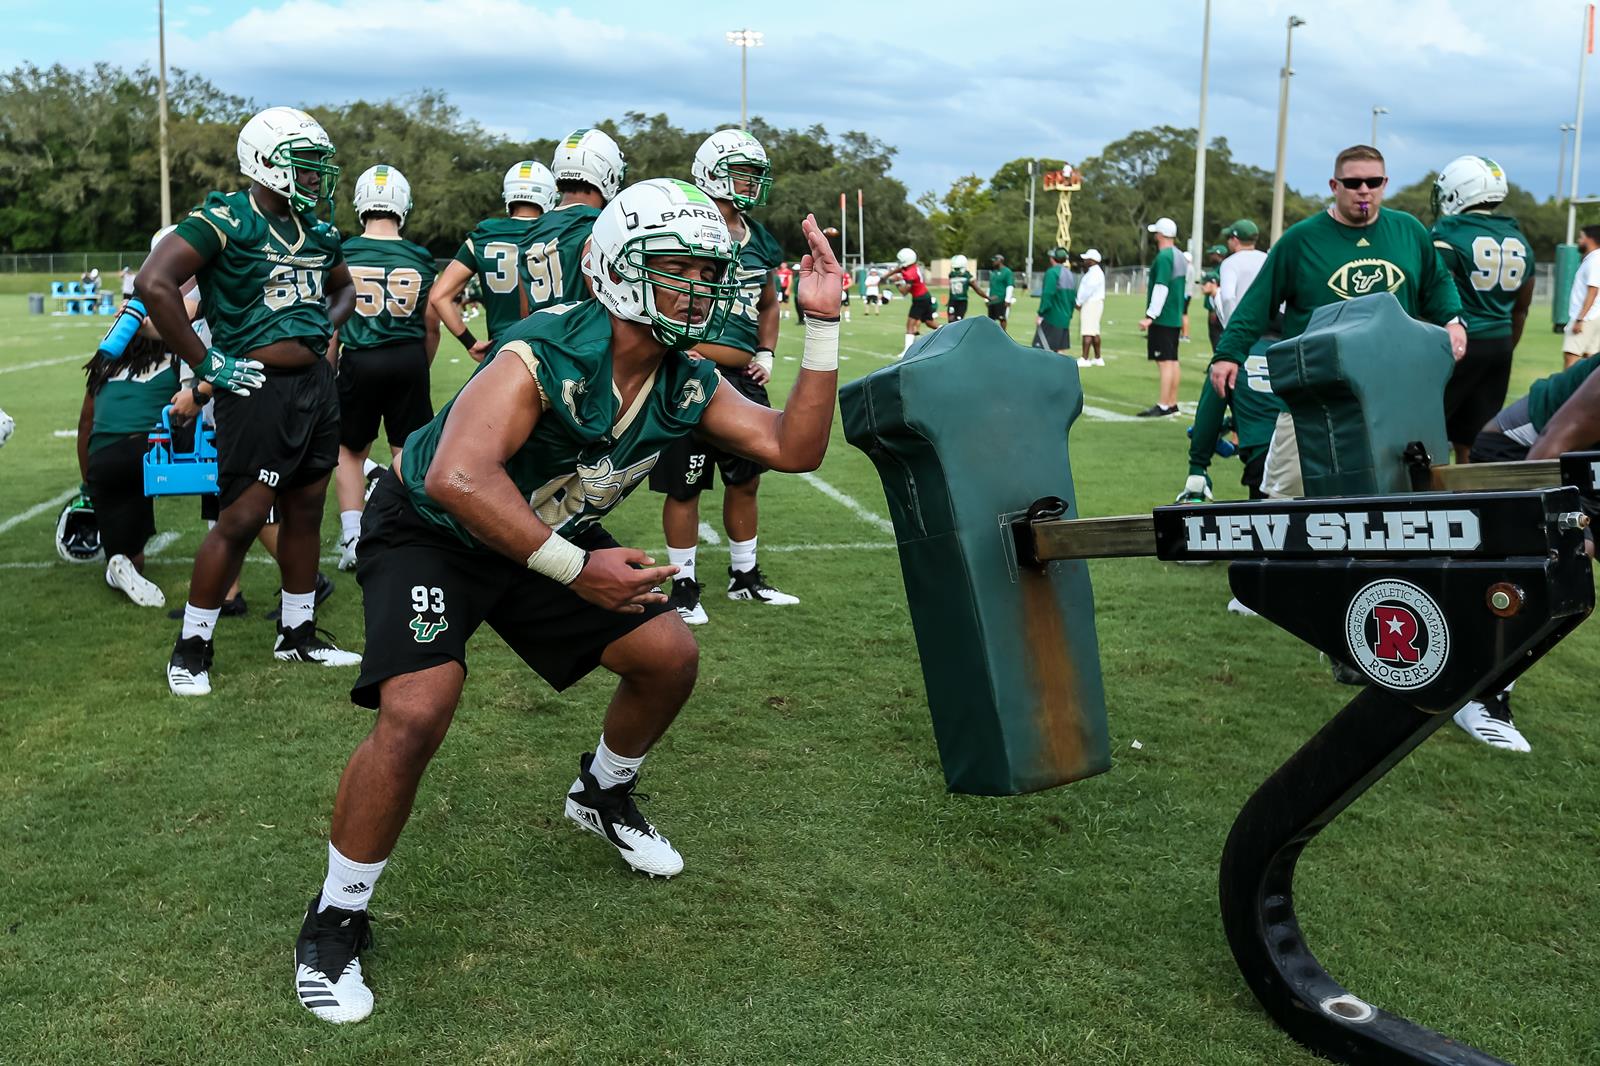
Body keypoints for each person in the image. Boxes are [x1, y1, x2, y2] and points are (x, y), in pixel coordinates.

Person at [289, 183, 844, 1025]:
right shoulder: (543, 348)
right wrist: (576, 570)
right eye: (677, 271)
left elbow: (792, 446)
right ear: (620, 272)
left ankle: (602, 793)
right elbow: (458, 475)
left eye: (708, 273)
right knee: (417, 707)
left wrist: (825, 325)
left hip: (536, 533)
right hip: (433, 529)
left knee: (668, 657)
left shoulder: (682, 377)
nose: (700, 289)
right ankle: (335, 916)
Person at [137, 105, 362, 697]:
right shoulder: (224, 219)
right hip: (254, 388)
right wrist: (206, 362)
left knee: (307, 510)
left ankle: (298, 633)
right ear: (265, 162)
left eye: (318, 166)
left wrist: (319, 327)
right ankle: (191, 647)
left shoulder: (315, 228)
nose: (315, 176)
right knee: (240, 518)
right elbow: (153, 283)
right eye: (304, 165)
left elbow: (343, 291)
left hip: (315, 388)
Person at [1212, 145, 1467, 498]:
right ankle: (1279, 553)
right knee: (1286, 494)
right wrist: (1228, 353)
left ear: (1384, 183)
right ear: (1335, 185)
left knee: (1402, 485)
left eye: (1373, 181)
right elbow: (1257, 304)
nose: (1364, 190)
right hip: (1315, 393)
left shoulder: (1408, 231)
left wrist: (1453, 322)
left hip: (1393, 390)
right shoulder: (1301, 240)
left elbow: (1438, 284)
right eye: (1354, 182)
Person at [649, 128, 798, 626]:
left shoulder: (760, 240)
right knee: (685, 485)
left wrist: (767, 352)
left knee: (747, 480)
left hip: (744, 378)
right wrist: (679, 344)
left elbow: (771, 303)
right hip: (689, 373)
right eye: (742, 171)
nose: (751, 182)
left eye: (756, 173)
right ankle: (684, 585)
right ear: (711, 171)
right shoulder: (686, 226)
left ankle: (745, 576)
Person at [332, 165, 440, 571]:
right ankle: (407, 531)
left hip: (360, 358)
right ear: (402, 205)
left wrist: (329, 372)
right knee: (408, 451)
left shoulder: (343, 251)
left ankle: (353, 537)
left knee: (349, 450)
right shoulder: (420, 257)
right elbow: (432, 325)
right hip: (409, 356)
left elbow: (333, 325)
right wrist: (420, 365)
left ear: (361, 203)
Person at [1430, 156, 1536, 465]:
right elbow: (1521, 309)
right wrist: (1505, 345)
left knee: (1424, 432)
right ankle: (1473, 502)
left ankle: (1424, 502)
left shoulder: (1447, 235)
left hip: (1455, 345)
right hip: (1500, 344)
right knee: (1474, 440)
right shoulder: (1519, 240)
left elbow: (1430, 293)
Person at [76, 326, 189, 608]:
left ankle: (117, 563)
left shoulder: (104, 366)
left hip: (103, 459)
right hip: (148, 454)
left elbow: (85, 426)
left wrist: (89, 481)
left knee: (129, 558)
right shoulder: (175, 362)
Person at [427, 159, 559, 362]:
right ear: (549, 195)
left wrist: (470, 343)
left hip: (503, 353)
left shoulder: (484, 236)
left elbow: (439, 296)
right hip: (553, 352)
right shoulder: (560, 234)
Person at [515, 128, 628, 315]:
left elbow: (524, 315)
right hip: (581, 341)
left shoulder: (531, 230)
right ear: (608, 174)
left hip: (538, 339)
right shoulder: (597, 226)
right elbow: (610, 313)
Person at [1137, 217, 1187, 417]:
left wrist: (1150, 315)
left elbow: (1161, 287)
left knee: (1165, 361)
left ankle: (1164, 405)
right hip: (1174, 316)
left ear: (1160, 235)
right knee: (1172, 361)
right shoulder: (1180, 256)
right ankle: (1171, 402)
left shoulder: (1164, 257)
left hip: (1164, 317)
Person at [882, 247, 938, 354]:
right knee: (929, 322)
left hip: (920, 300)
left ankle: (907, 351)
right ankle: (946, 330)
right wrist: (887, 275)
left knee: (910, 325)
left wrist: (897, 282)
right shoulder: (911, 267)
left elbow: (904, 292)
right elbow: (899, 269)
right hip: (924, 297)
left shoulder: (910, 274)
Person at [1213, 219, 1266, 330]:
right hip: (1268, 324)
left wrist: (1231, 326)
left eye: (1229, 238)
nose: (1228, 242)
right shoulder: (1267, 259)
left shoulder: (1230, 263)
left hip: (1244, 325)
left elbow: (1228, 297)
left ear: (1235, 240)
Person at [1561, 224, 1600, 369]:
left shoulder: (1595, 260)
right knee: (1590, 363)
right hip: (1595, 317)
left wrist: (1580, 319)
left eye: (1581, 237)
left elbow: (1593, 291)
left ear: (1590, 239)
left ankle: (1567, 392)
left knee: (1571, 360)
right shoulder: (1593, 259)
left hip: (1587, 318)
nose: (1579, 240)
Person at [1035, 247, 1075, 354]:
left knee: (1041, 350)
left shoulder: (1052, 272)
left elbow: (1048, 294)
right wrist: (1069, 314)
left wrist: (1041, 313)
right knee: (1060, 350)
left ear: (1053, 259)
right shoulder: (1070, 274)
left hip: (1052, 317)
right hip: (1065, 318)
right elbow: (1072, 298)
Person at [1076, 248, 1105, 367]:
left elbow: (1087, 290)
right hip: (1095, 303)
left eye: (1086, 259)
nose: (1084, 261)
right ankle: (1098, 358)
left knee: (1087, 331)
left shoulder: (1094, 273)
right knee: (1094, 331)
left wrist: (1079, 302)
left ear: (1092, 260)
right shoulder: (1095, 272)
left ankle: (1085, 358)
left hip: (1091, 303)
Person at [972, 253, 1015, 331]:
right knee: (991, 320)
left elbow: (1010, 286)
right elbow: (990, 286)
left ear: (1000, 261)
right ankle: (991, 335)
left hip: (1001, 299)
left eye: (995, 261)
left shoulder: (1007, 272)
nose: (993, 262)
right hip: (992, 300)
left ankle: (1003, 335)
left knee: (1002, 318)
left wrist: (1007, 299)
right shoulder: (993, 273)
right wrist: (986, 299)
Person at [946, 254, 972, 321]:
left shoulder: (967, 275)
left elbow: (975, 287)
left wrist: (986, 296)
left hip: (962, 301)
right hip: (952, 300)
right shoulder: (951, 274)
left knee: (958, 320)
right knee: (951, 320)